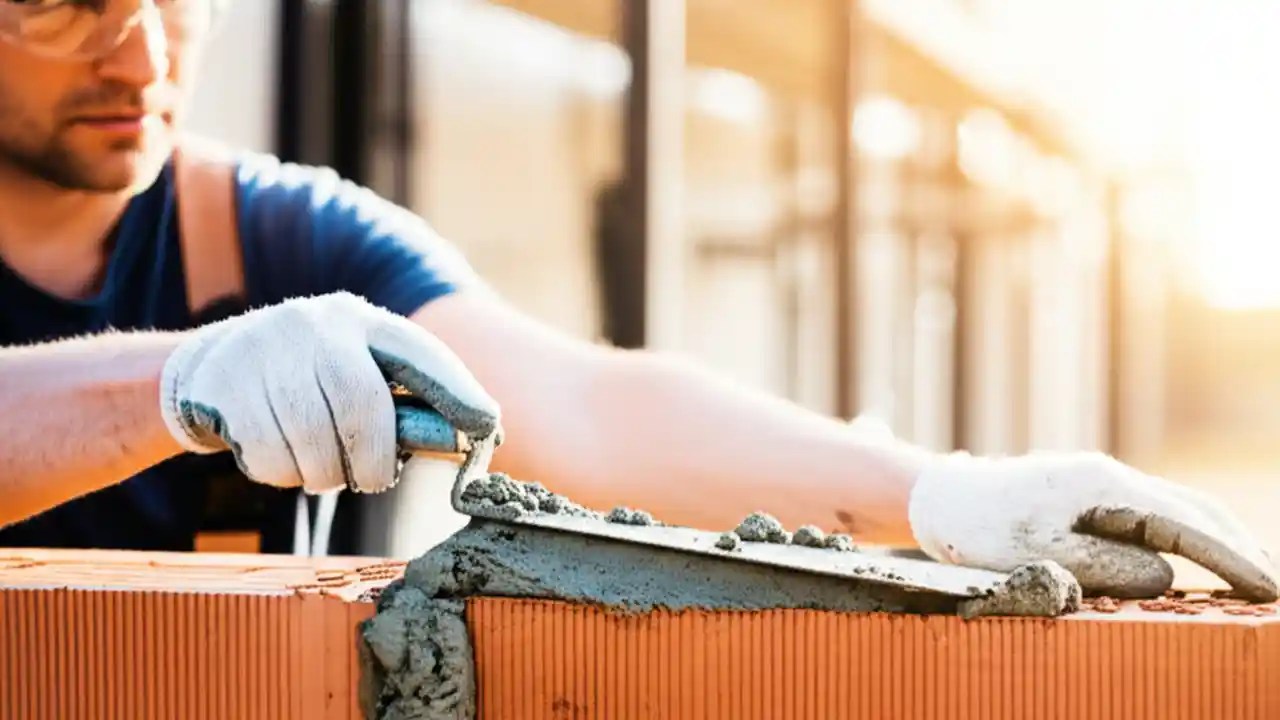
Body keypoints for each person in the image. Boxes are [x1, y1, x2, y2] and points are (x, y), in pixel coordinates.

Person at [0, 0, 1273, 601]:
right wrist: (166, 386)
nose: (144, 55)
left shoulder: (278, 232)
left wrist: (938, 498)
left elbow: (578, 408)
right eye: (62, 2)